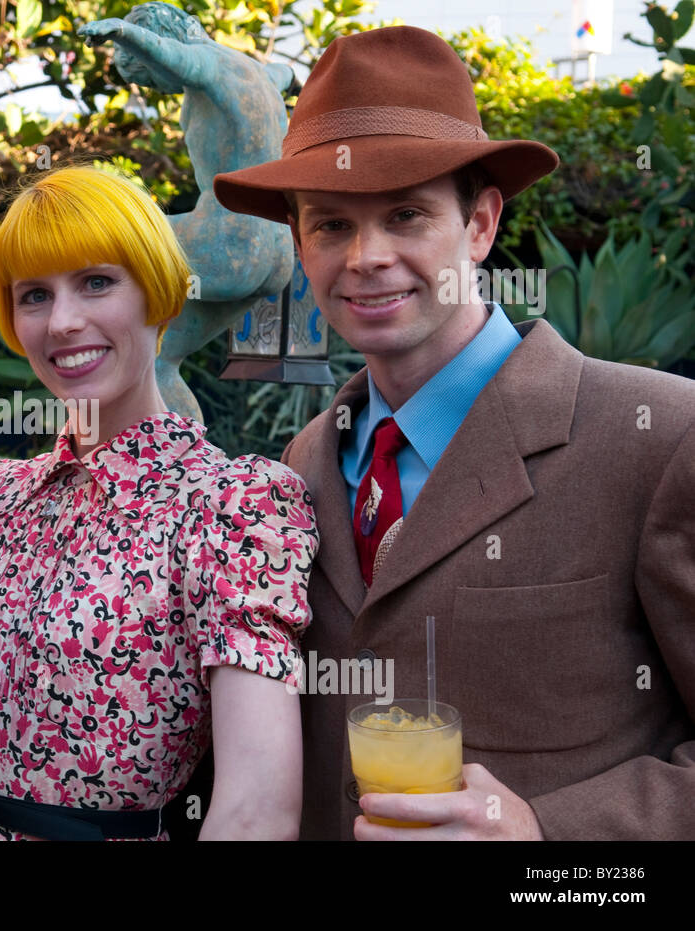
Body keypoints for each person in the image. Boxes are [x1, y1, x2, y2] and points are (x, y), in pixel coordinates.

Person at [214, 25, 695, 840]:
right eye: (331, 224)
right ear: (299, 242)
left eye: (406, 215)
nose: (367, 257)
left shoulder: (659, 438)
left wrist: (545, 833)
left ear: (479, 225)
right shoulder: (300, 467)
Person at [0, 165, 318, 840]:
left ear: (158, 293)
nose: (62, 321)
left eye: (96, 282)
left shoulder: (231, 506)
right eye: (33, 295)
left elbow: (256, 809)